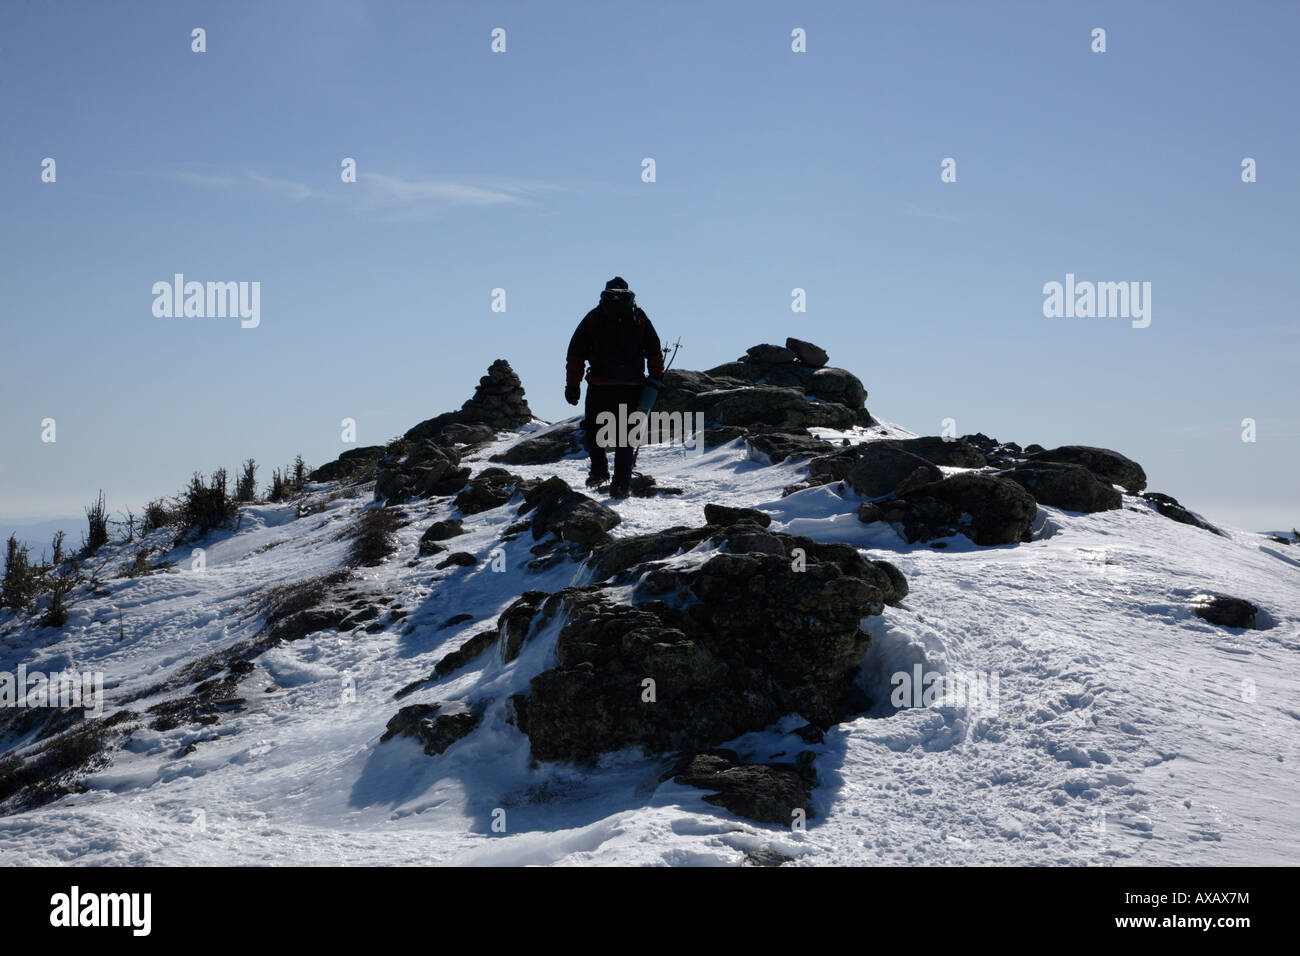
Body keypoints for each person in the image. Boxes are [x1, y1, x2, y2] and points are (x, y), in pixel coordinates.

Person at [565, 276, 664, 498]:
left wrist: (573, 386)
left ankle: (599, 470)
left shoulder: (594, 317)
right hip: (631, 386)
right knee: (625, 436)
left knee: (594, 427)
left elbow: (575, 355)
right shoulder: (638, 317)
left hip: (600, 385)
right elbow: (654, 351)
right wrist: (656, 378)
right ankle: (621, 486)